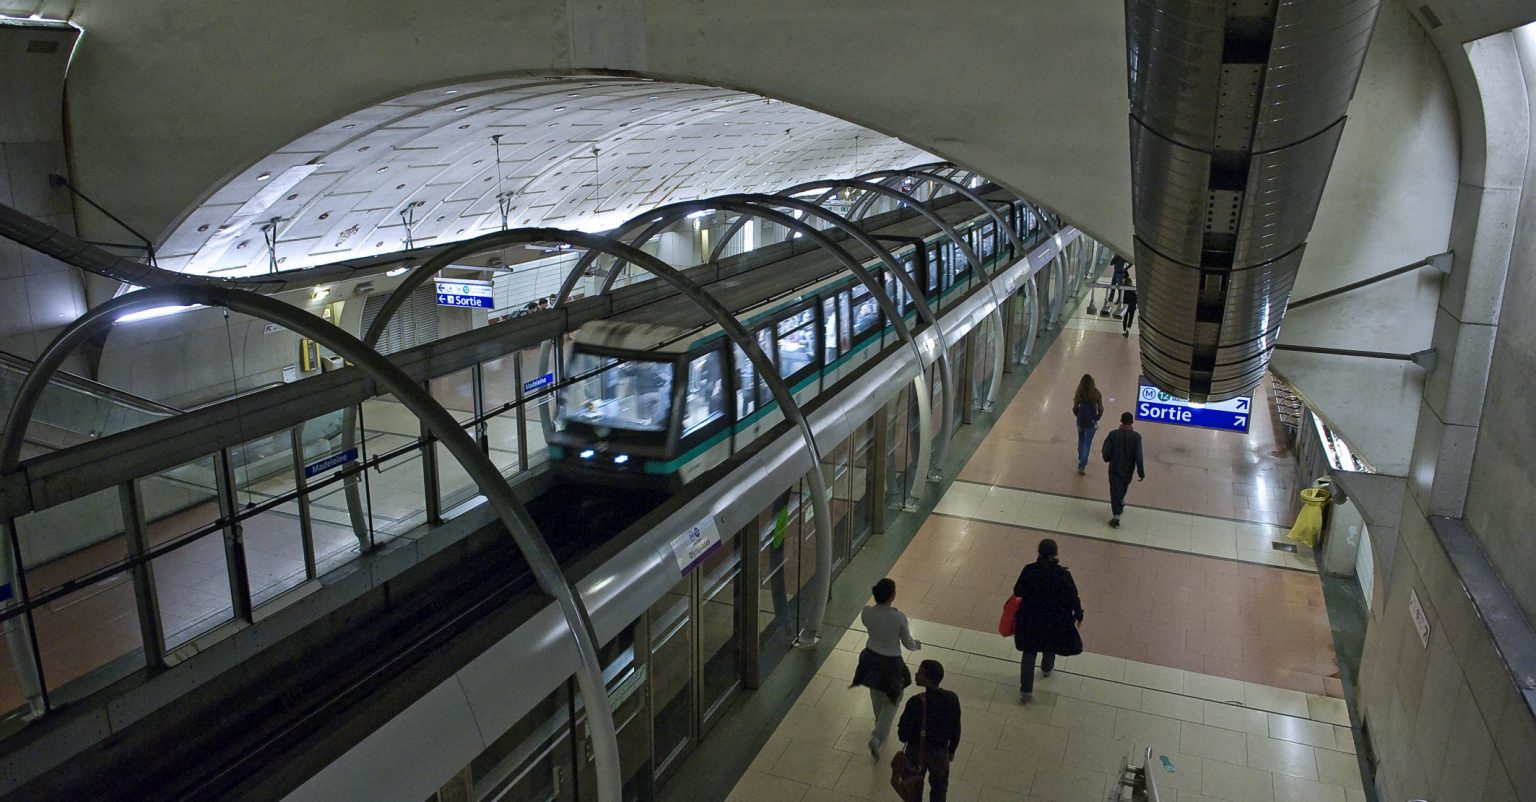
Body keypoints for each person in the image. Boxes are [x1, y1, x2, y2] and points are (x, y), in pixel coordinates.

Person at [849, 578, 921, 758]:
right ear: (893, 595)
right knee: (893, 697)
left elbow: (871, 623)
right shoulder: (898, 618)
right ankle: (878, 736)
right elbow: (907, 643)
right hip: (891, 664)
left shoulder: (867, 613)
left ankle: (877, 720)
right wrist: (917, 645)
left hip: (869, 658)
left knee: (876, 691)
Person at [1012, 539, 1084, 700]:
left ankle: (1026, 691)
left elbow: (1018, 591)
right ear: (1056, 553)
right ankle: (1046, 668)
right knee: (1049, 645)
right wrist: (1078, 614)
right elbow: (1073, 597)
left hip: (1030, 617)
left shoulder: (1029, 570)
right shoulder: (1063, 575)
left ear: (1039, 552)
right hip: (1054, 619)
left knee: (1029, 651)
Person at [896, 660, 962, 802]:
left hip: (916, 752)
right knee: (939, 788)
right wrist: (951, 750)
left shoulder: (915, 702)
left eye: (919, 673)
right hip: (940, 753)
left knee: (912, 788)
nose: (916, 675)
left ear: (927, 678)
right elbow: (956, 728)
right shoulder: (952, 699)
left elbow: (902, 734)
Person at [1101, 411, 1145, 527]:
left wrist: (1107, 458)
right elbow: (1139, 456)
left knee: (1115, 489)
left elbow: (1105, 451)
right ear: (1132, 422)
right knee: (1123, 486)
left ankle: (1116, 515)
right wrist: (1141, 472)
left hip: (1115, 466)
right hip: (1128, 468)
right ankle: (1119, 506)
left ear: (1121, 421)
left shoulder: (1113, 434)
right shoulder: (1136, 437)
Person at [1071, 374, 1103, 475]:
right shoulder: (1096, 393)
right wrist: (1098, 417)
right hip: (1091, 422)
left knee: (1081, 439)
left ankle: (1081, 456)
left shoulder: (1079, 393)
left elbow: (1074, 408)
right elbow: (1101, 408)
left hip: (1080, 421)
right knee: (1087, 443)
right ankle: (1082, 465)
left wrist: (1078, 415)